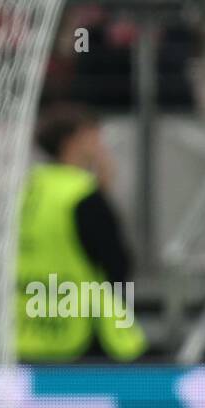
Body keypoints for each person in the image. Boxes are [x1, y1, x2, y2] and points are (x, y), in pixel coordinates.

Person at [14, 102, 148, 362]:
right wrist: (103, 193)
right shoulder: (82, 194)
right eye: (94, 136)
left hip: (28, 329)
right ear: (73, 140)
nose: (101, 145)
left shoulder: (27, 189)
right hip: (80, 333)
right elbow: (117, 263)